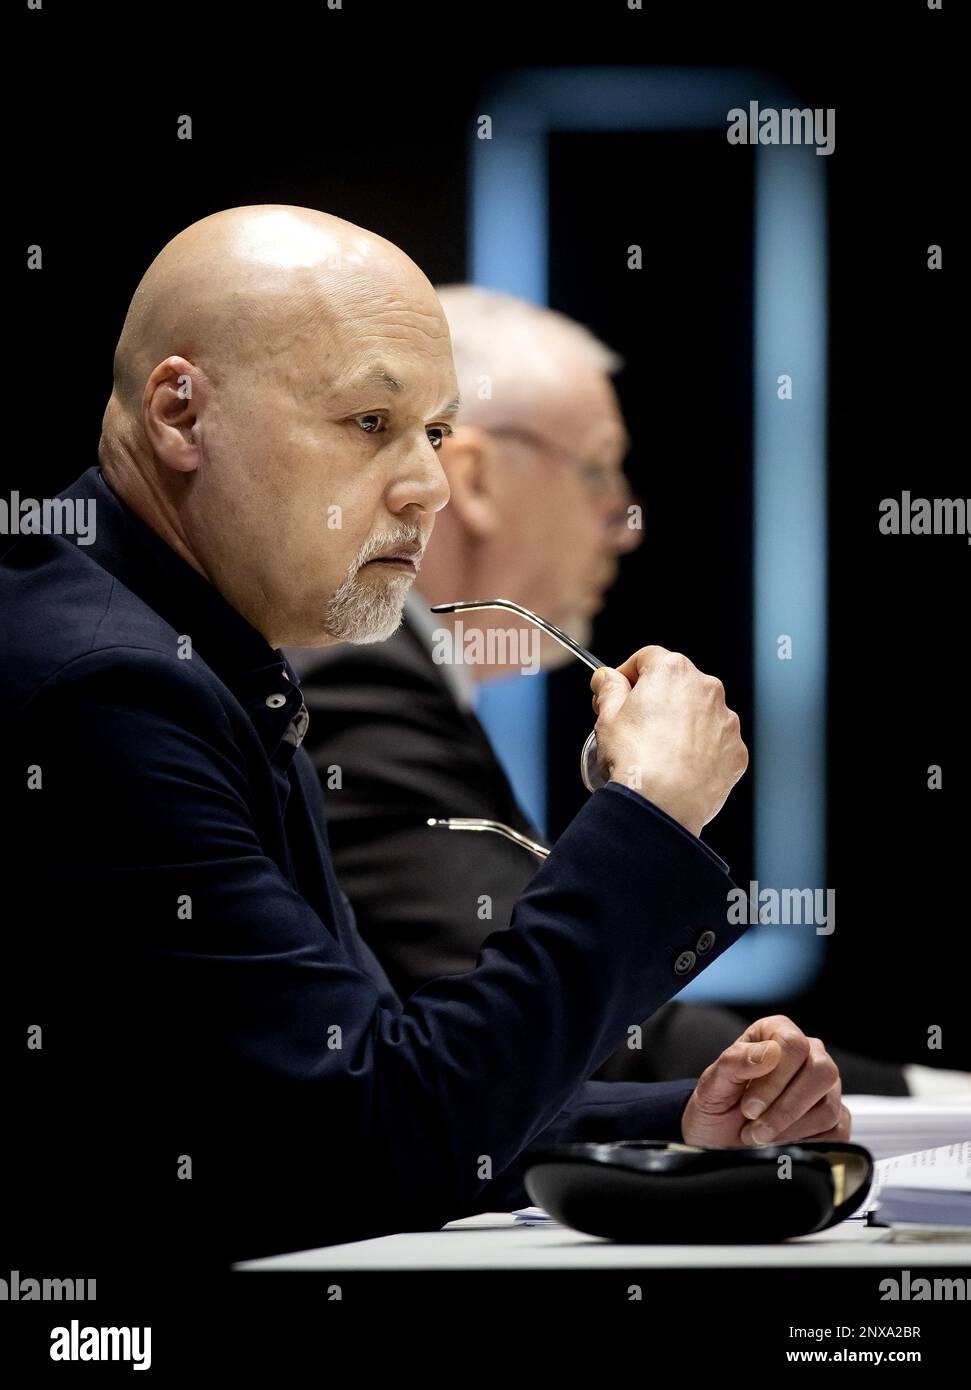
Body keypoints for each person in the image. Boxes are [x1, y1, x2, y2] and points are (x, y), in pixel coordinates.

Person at [1, 206, 848, 1272]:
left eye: (435, 432)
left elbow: (356, 1084)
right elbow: (375, 1139)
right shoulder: (106, 688)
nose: (430, 487)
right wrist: (645, 818)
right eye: (369, 422)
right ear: (180, 413)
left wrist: (675, 1122)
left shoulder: (196, 649)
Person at [291, 285, 971, 1100]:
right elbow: (514, 1036)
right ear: (469, 481)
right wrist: (652, 808)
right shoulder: (355, 671)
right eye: (597, 470)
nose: (626, 521)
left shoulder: (381, 666)